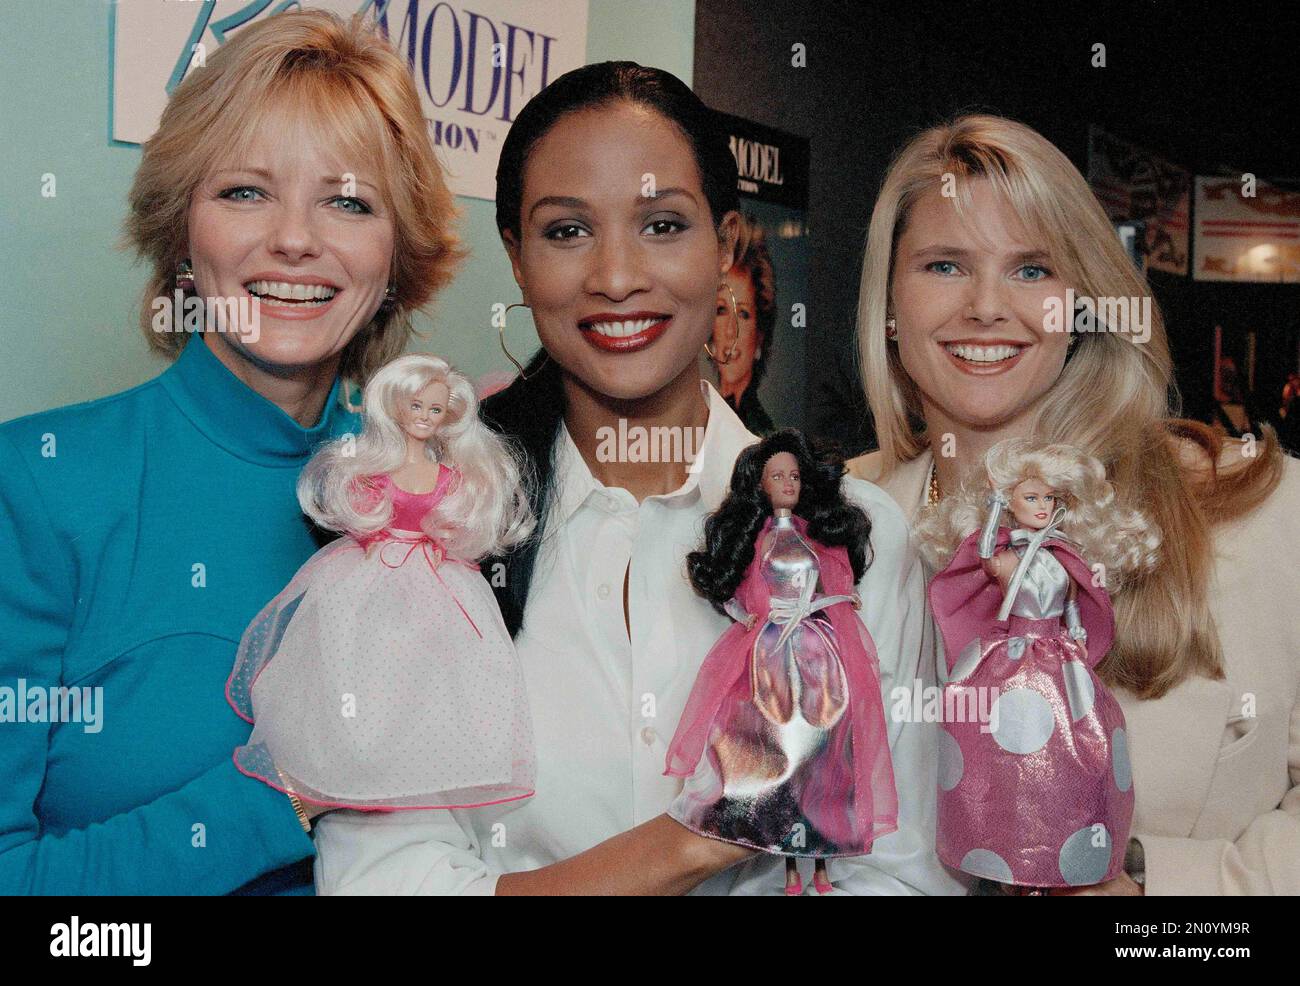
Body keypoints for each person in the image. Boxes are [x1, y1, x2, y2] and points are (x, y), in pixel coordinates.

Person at [311, 61, 962, 895]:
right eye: (566, 232)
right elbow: (385, 884)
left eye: (662, 225)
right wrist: (699, 836)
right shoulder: (424, 538)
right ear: (516, 256)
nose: (616, 277)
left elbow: (904, 878)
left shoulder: (853, 535)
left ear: (727, 245)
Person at [0, 10, 462, 894]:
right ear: (182, 232)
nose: (295, 238)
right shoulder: (37, 485)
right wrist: (283, 793)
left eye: (349, 200)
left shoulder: (432, 502)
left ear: (396, 254)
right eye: (246, 191)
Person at [847, 113, 1300, 894]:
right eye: (945, 265)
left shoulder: (1257, 510)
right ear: (890, 307)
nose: (987, 307)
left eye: (1031, 270)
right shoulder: (841, 530)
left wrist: (1156, 899)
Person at [711, 214, 777, 434]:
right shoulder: (697, 421)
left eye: (743, 314)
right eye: (721, 310)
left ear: (759, 335)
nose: (731, 330)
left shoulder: (763, 436)